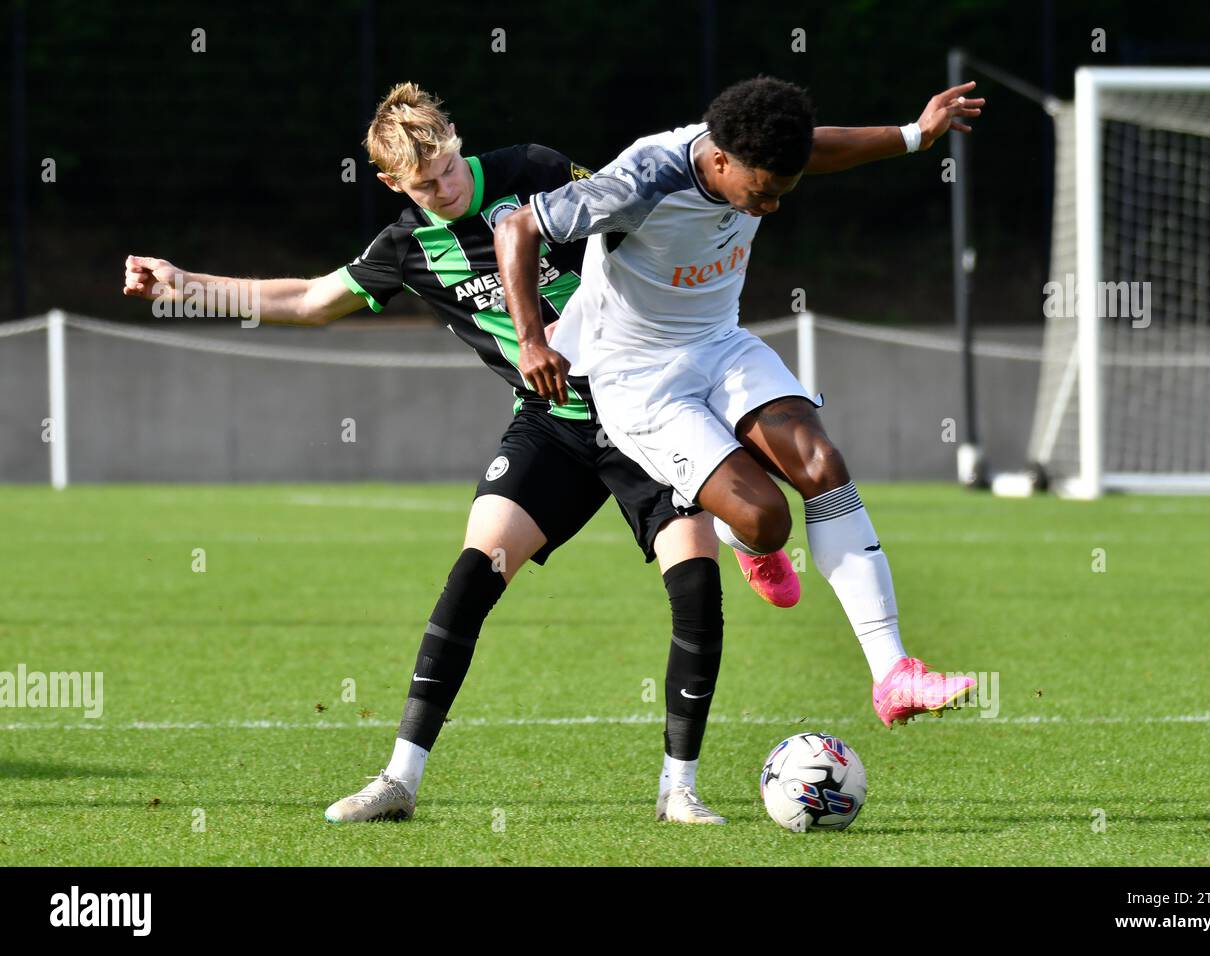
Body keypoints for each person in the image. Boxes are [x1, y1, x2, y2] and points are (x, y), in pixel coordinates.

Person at [122, 82, 798, 825]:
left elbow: (630, 215)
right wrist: (186, 287)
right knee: (474, 573)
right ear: (390, 184)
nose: (443, 189)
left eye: (447, 168)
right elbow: (312, 302)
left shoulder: (537, 171)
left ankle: (680, 790)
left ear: (457, 142)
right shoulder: (411, 247)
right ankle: (399, 780)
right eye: (423, 184)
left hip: (651, 411)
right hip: (554, 425)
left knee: (695, 587)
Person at [495, 76, 986, 728]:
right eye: (762, 193)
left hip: (720, 344)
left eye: (783, 193)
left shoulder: (765, 149)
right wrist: (531, 340)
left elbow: (821, 148)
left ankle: (892, 672)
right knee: (766, 519)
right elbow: (518, 225)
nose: (771, 208)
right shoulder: (646, 176)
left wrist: (916, 135)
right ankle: (745, 538)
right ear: (720, 161)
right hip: (639, 381)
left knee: (820, 463)